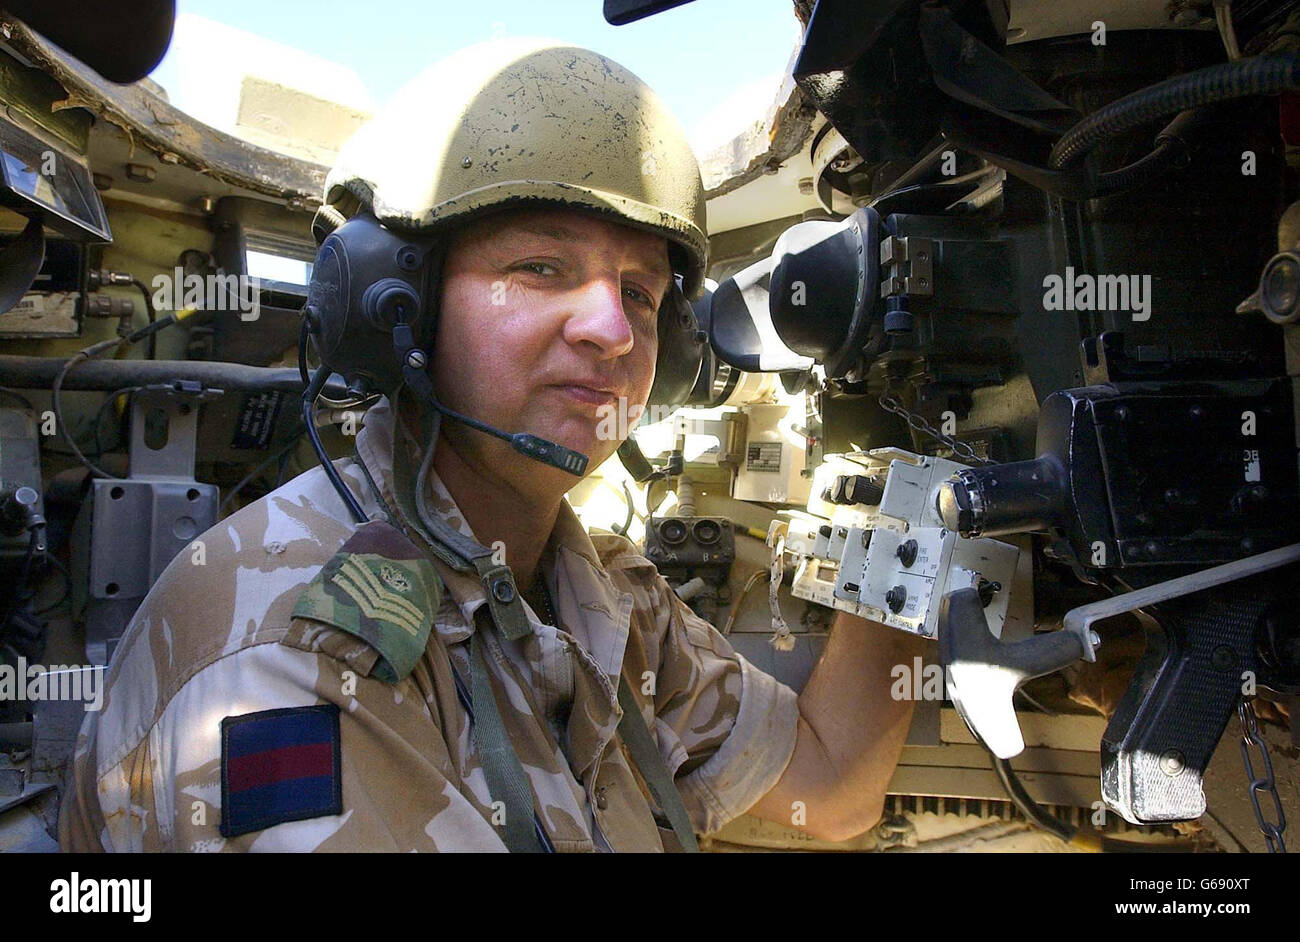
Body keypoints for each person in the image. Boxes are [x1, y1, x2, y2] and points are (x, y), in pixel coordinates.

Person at [59, 39, 924, 852]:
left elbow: (834, 782)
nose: (611, 330)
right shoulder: (292, 652)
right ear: (396, 306)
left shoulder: (606, 594)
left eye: (641, 292)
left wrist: (912, 509)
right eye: (540, 268)